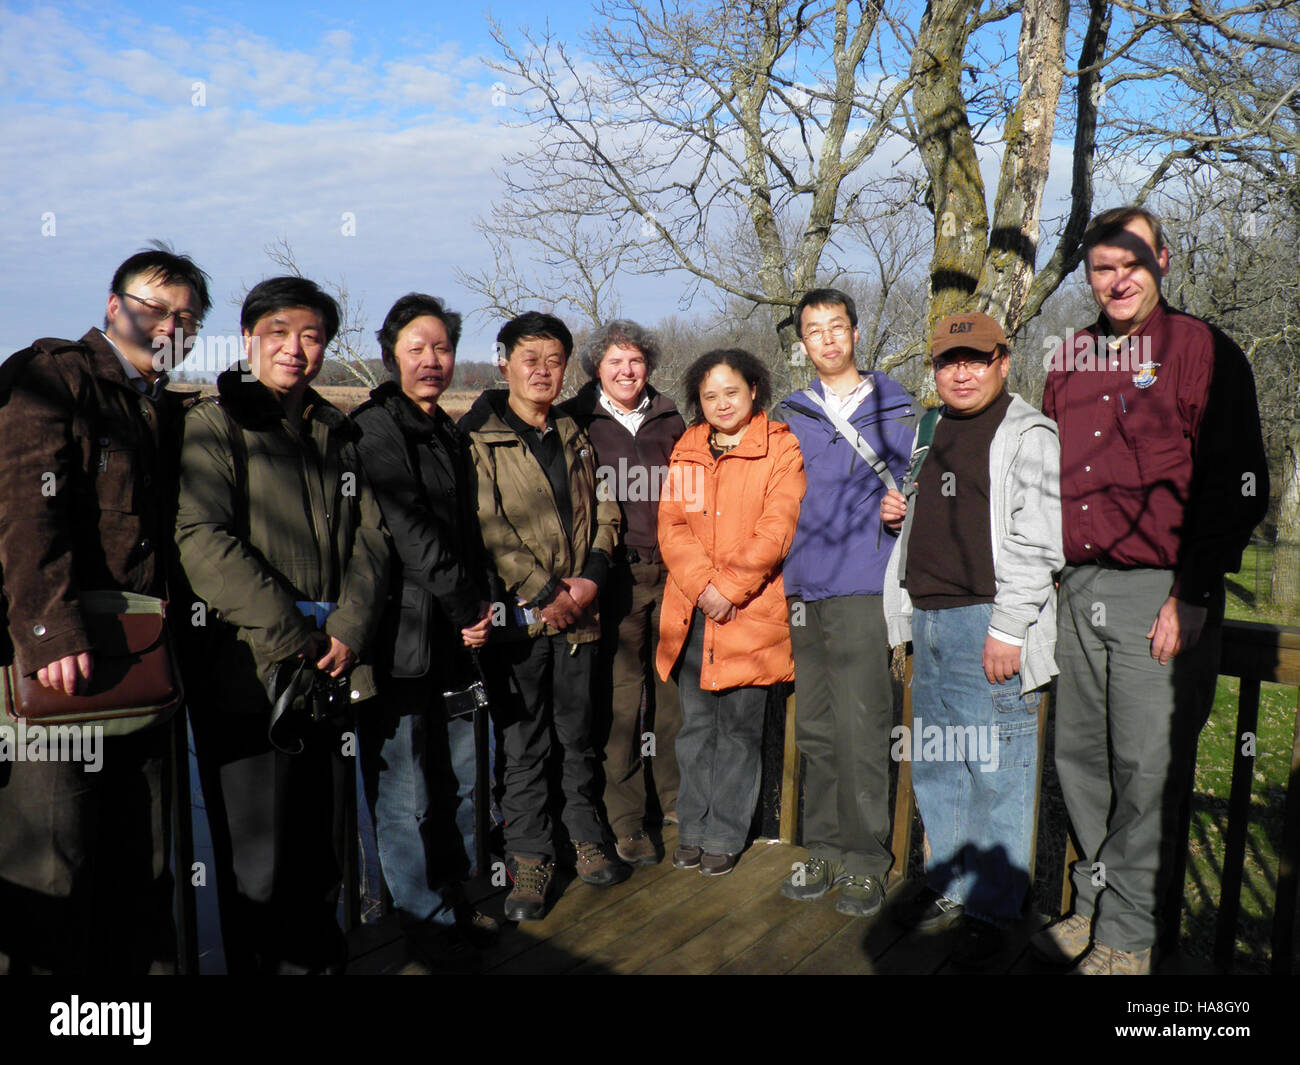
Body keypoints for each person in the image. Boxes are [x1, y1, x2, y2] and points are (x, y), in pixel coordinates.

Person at [1035, 206, 1269, 974]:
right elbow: (1043, 476)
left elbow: (1239, 484)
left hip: (1160, 594)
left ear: (1163, 260)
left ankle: (1130, 938)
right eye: (1103, 267)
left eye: (1133, 261)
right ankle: (1098, 901)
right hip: (1079, 587)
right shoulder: (1068, 357)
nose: (1118, 278)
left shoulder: (1202, 350)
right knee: (1082, 761)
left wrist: (1194, 590)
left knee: (1147, 768)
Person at [0, 242, 211, 975]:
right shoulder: (53, 376)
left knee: (142, 852)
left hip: (142, 662)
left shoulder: (164, 408)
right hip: (61, 665)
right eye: (154, 306)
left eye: (186, 316)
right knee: (51, 863)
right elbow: (25, 511)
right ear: (114, 305)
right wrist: (46, 630)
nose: (167, 324)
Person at [175, 276, 389, 974]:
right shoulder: (215, 423)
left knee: (320, 850)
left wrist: (349, 627)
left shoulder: (336, 428)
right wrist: (296, 634)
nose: (295, 350)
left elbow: (372, 539)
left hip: (329, 674)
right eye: (278, 334)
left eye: (312, 335)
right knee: (256, 865)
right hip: (250, 677)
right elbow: (202, 539)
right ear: (247, 340)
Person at [881, 312, 1063, 968]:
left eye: (975, 359)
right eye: (948, 360)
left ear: (1003, 361)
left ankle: (994, 907)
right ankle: (950, 885)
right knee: (938, 764)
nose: (961, 371)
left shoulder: (1028, 432)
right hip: (927, 618)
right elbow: (921, 509)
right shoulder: (929, 429)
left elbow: (1040, 538)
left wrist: (1008, 628)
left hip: (987, 621)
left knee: (997, 770)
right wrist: (898, 507)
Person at [459, 311, 628, 922]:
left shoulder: (575, 431)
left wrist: (589, 582)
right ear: (504, 362)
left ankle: (584, 836)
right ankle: (528, 859)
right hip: (522, 619)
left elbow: (607, 512)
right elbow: (488, 529)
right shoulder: (479, 439)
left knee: (578, 735)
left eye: (554, 360)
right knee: (525, 742)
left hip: (581, 612)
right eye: (529, 358)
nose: (542, 371)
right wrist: (546, 591)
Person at [351, 293, 496, 964]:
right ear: (390, 355)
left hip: (456, 643)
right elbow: (410, 530)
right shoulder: (375, 428)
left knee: (457, 782)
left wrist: (479, 604)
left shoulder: (449, 430)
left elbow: (467, 535)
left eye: (441, 347)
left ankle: (454, 895)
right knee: (406, 788)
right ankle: (422, 921)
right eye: (417, 348)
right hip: (404, 641)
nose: (432, 360)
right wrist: (469, 606)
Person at [772, 288, 916, 916]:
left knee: (863, 728)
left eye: (837, 327)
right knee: (818, 729)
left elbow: (928, 491)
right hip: (802, 586)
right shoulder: (787, 415)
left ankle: (865, 859)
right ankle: (824, 848)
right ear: (801, 343)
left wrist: (903, 511)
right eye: (814, 330)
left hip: (864, 584)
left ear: (856, 333)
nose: (827, 339)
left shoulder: (899, 407)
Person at [657, 349, 805, 877]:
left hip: (752, 615)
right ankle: (691, 826)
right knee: (696, 729)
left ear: (754, 392)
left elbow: (777, 528)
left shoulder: (781, 447)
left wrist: (731, 587)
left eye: (731, 392)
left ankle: (724, 833)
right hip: (694, 613)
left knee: (739, 732)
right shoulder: (689, 448)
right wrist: (703, 587)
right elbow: (672, 525)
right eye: (710, 395)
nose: (721, 403)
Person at [560, 320, 686, 866]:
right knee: (621, 701)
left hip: (675, 572)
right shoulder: (577, 421)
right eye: (614, 362)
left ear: (649, 366)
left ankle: (674, 803)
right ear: (595, 368)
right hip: (616, 577)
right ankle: (627, 821)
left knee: (673, 698)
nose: (626, 371)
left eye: (635, 362)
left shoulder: (670, 418)